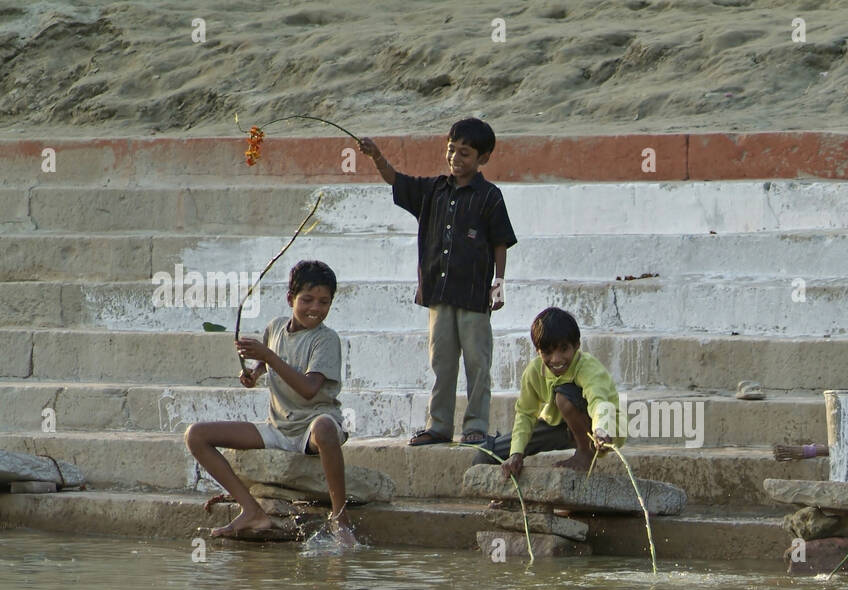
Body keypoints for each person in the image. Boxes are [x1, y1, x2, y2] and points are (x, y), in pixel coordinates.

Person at [358, 118, 517, 447]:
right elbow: (396, 180)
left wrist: (498, 282)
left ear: (483, 159)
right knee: (442, 363)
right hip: (438, 294)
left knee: (477, 362)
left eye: (466, 153)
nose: (456, 158)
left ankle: (475, 424)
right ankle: (440, 424)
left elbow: (500, 242)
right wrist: (376, 156)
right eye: (452, 150)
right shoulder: (433, 190)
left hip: (474, 296)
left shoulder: (489, 197)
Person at [184, 260, 355, 543]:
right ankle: (251, 511)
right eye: (307, 300)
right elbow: (265, 367)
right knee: (197, 435)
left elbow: (310, 389)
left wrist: (269, 357)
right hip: (278, 427)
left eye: (324, 302)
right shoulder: (275, 328)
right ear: (290, 299)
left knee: (325, 428)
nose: (315, 308)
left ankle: (340, 516)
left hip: (312, 427)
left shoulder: (326, 340)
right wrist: (253, 374)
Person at [472, 307, 624, 478]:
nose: (556, 359)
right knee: (486, 454)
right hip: (558, 426)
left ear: (577, 346)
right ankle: (504, 497)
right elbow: (525, 414)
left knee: (563, 397)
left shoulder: (588, 368)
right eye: (547, 352)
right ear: (538, 351)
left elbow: (598, 401)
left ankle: (585, 453)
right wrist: (516, 453)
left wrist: (601, 429)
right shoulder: (534, 371)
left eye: (564, 349)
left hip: (600, 429)